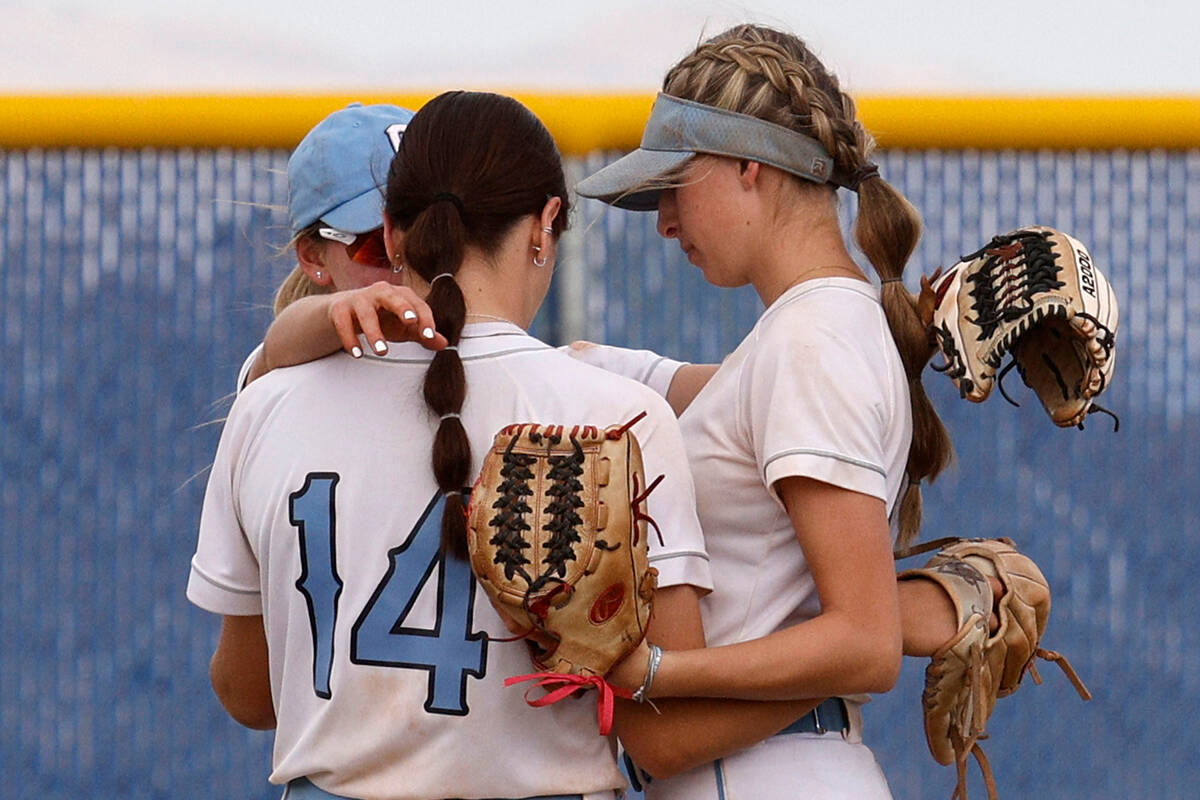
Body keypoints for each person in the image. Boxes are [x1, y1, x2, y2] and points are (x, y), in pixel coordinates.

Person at [188, 90, 740, 800]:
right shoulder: (617, 414)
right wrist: (845, 666)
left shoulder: (263, 405)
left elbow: (249, 695)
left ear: (393, 234)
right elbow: (670, 726)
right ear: (545, 226)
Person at [570, 23, 957, 798]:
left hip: (766, 774)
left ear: (751, 165)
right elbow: (660, 383)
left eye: (674, 184)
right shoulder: (809, 334)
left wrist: (658, 673)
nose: (665, 222)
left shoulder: (811, 341)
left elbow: (865, 642)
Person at [236, 102, 445, 392]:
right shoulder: (286, 379)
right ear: (314, 258)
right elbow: (269, 359)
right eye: (377, 246)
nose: (411, 265)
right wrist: (331, 314)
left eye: (432, 237)